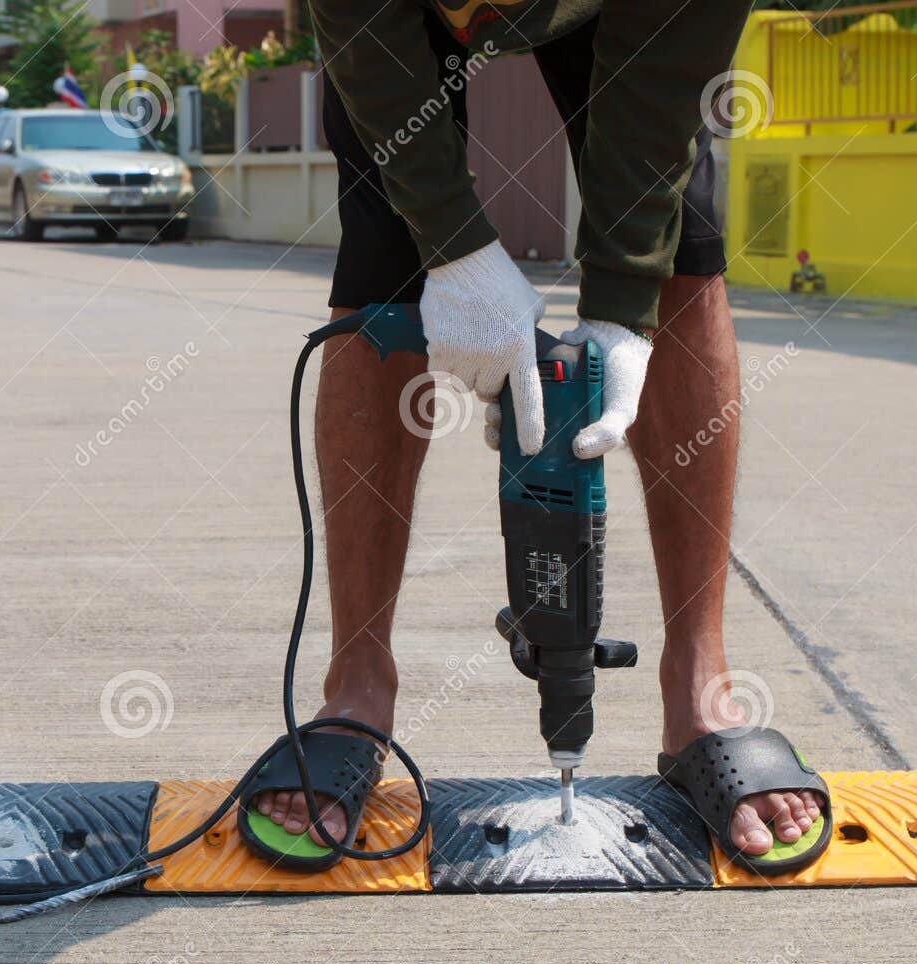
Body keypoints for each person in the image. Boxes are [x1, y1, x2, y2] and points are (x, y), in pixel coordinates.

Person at [235, 0, 833, 877]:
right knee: (382, 257)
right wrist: (456, 253)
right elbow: (363, 29)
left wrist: (624, 308)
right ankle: (356, 688)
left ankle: (699, 689)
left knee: (680, 252)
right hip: (393, 17)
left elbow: (669, 60)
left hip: (623, 14)